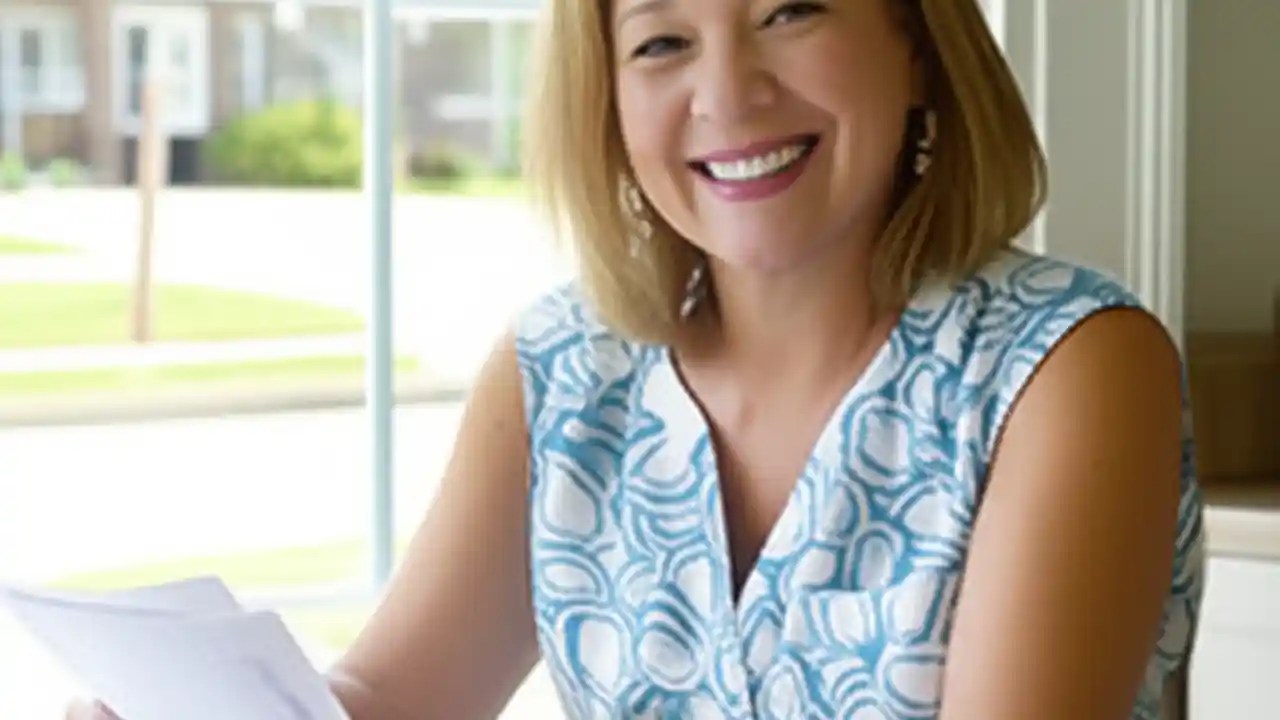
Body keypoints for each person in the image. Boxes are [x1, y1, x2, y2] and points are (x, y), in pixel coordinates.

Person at [71, 0, 1204, 718]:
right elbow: (390, 699)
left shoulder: (1070, 369)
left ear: (916, 44)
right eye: (660, 41)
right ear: (606, 98)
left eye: (790, 11)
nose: (728, 94)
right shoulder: (557, 372)